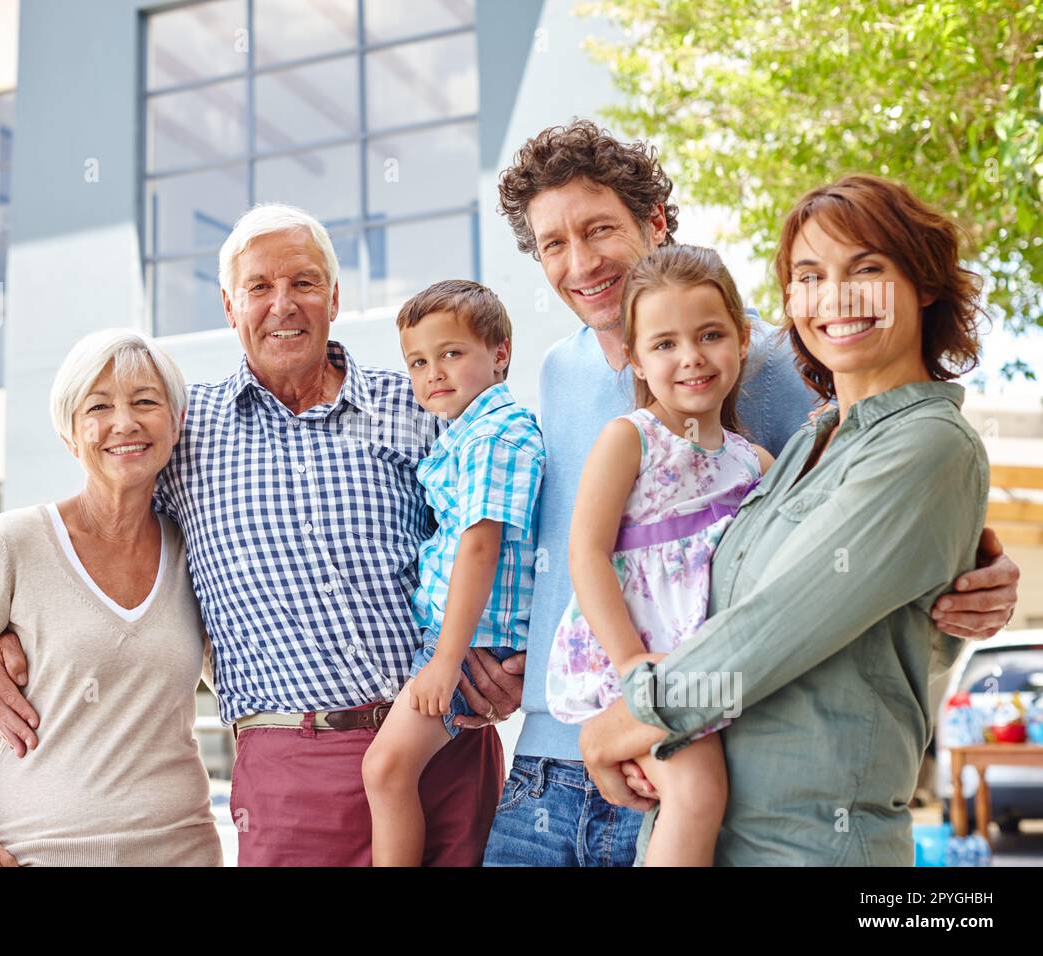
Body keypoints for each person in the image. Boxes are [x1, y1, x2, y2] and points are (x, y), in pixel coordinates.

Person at [483, 120, 1022, 867]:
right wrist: (490, 646)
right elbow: (568, 547)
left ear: (656, 224)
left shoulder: (772, 370)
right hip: (555, 761)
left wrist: (968, 585)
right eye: (553, 244)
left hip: (694, 760)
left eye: (600, 229)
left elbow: (833, 581)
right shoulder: (556, 373)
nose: (580, 261)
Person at [0, 205, 523, 866]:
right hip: (292, 769)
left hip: (442, 745)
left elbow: (503, 536)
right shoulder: (181, 429)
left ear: (335, 298)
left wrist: (518, 660)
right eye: (259, 288)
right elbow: (96, 529)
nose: (282, 305)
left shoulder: (420, 406)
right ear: (230, 308)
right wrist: (2, 626)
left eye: (304, 283)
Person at [0, 330, 221, 866]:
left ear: (175, 424)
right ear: (70, 434)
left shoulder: (198, 548)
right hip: (37, 851)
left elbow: (243, 677)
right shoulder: (14, 542)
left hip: (182, 849)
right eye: (98, 406)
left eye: (145, 401)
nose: (124, 423)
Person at [547, 245, 771, 865]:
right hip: (637, 663)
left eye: (709, 335)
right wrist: (631, 664)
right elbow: (586, 554)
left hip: (711, 671)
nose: (691, 357)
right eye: (665, 343)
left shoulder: (751, 461)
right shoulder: (631, 440)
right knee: (697, 791)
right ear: (637, 358)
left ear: (742, 339)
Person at [363, 280, 544, 866]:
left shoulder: (494, 434)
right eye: (418, 361)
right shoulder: (465, 433)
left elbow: (479, 548)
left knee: (385, 769)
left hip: (469, 644)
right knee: (394, 772)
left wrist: (445, 658)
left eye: (451, 353)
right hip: (460, 639)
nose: (433, 372)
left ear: (499, 353)